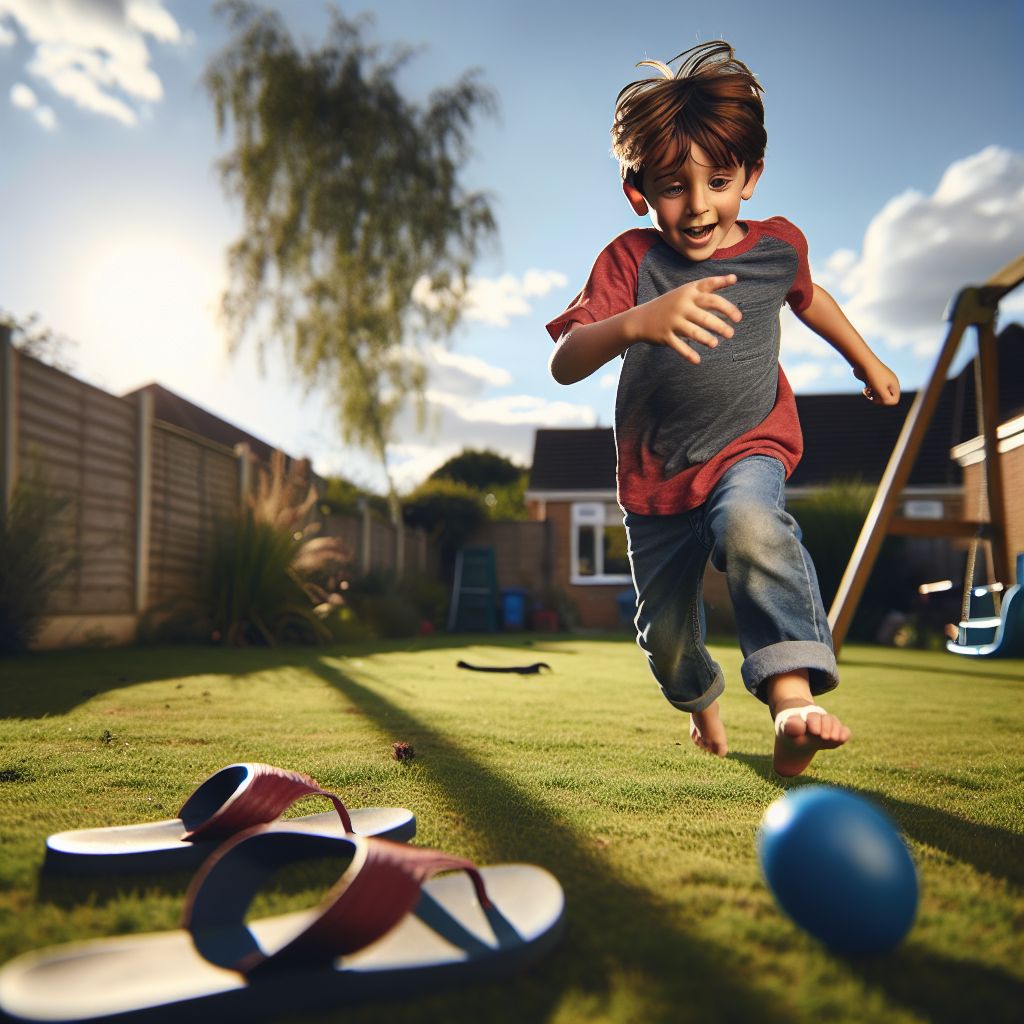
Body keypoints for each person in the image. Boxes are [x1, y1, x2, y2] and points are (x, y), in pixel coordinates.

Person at [546, 40, 900, 776]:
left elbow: (812, 299)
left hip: (750, 445)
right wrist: (638, 322)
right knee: (665, 637)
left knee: (752, 525)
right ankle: (700, 695)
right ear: (639, 190)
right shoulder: (631, 263)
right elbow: (566, 360)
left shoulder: (777, 248)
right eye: (674, 186)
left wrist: (864, 359)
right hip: (656, 482)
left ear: (751, 177)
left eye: (719, 180)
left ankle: (792, 699)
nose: (699, 204)